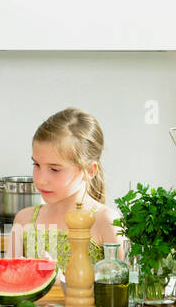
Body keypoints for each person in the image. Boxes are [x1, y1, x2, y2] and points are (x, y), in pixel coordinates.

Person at [8, 107, 122, 273]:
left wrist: (62, 283)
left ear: (89, 171)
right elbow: (8, 284)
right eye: (36, 165)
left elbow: (122, 292)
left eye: (54, 169)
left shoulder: (106, 222)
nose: (40, 179)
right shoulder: (24, 220)